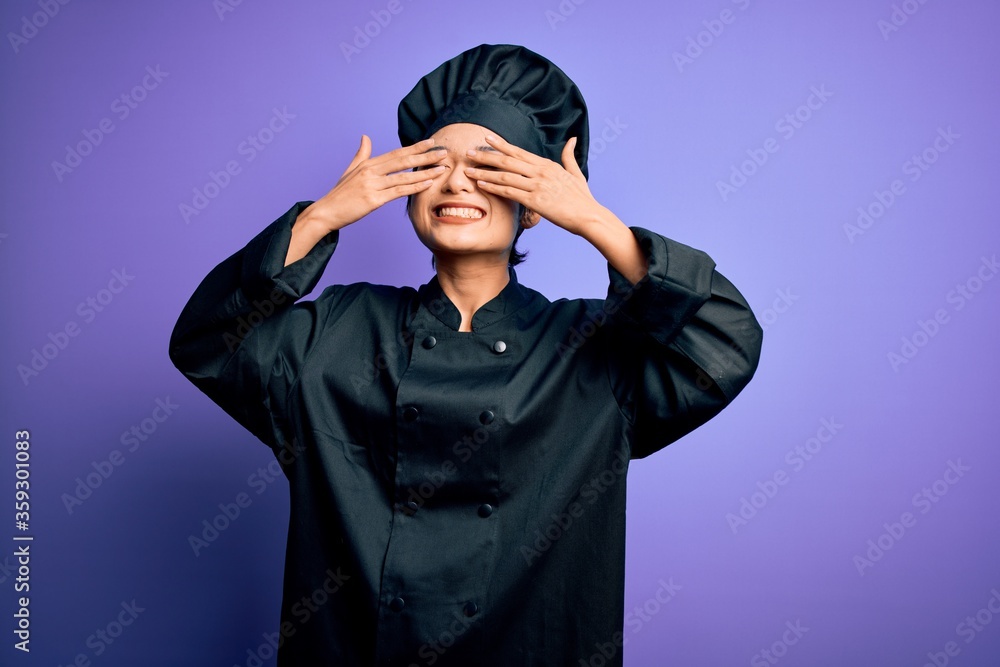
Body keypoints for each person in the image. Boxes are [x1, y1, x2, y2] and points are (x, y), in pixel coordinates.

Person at [169, 43, 762, 666]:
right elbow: (209, 341)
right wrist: (321, 218)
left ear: (533, 204)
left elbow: (726, 343)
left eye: (489, 167)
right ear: (407, 191)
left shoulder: (595, 349)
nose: (456, 182)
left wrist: (596, 223)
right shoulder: (338, 330)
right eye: (436, 164)